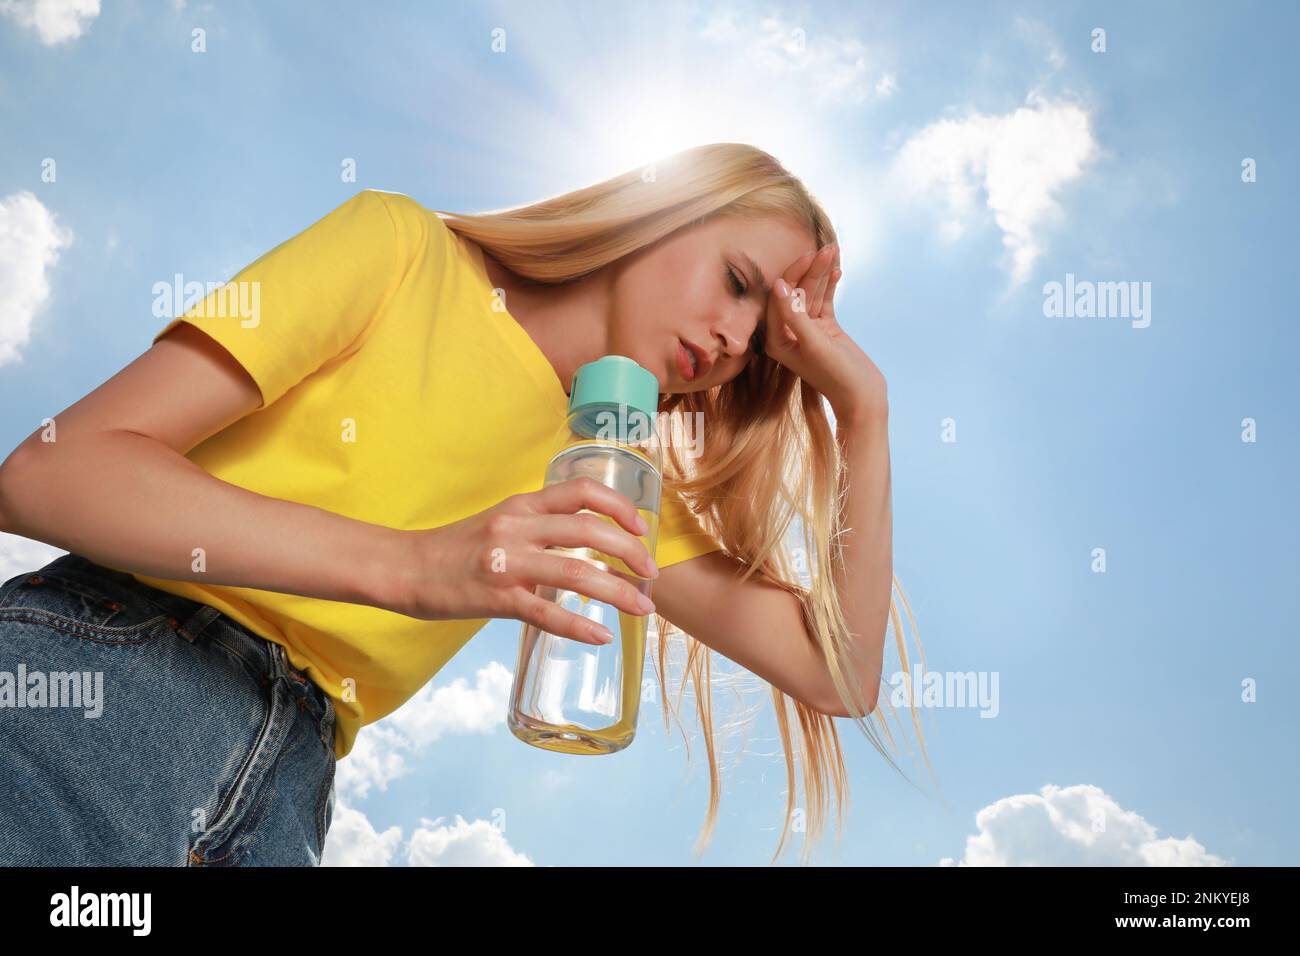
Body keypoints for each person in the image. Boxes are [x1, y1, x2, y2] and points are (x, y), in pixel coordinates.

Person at [0, 142, 926, 867]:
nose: (732, 338)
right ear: (659, 211)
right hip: (109, 672)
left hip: (290, 789)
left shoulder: (613, 481)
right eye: (737, 283)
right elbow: (50, 472)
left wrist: (864, 410)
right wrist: (411, 565)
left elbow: (837, 674)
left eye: (762, 343)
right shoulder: (403, 249)